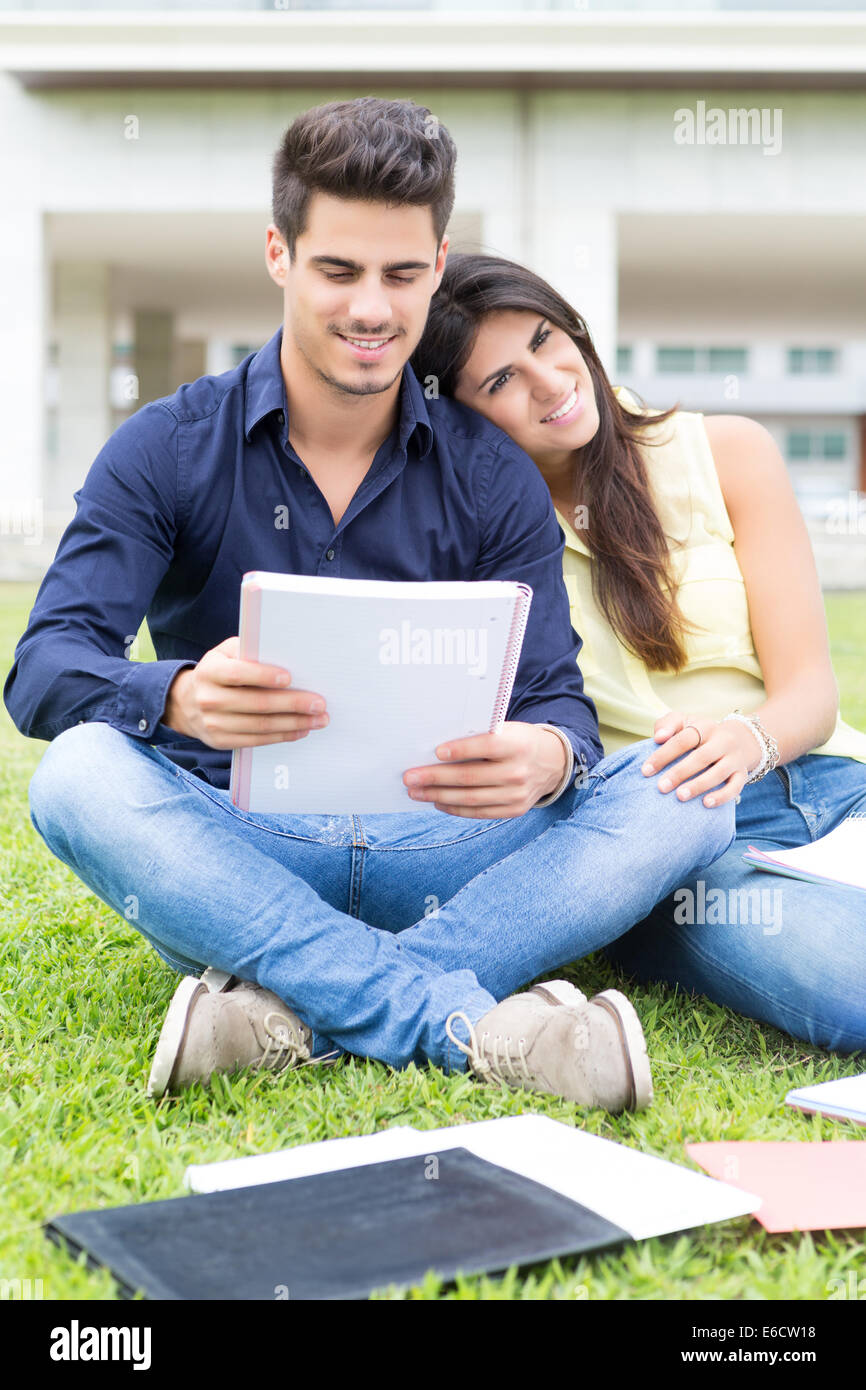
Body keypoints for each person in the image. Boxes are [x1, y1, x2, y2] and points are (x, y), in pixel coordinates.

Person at [4, 98, 734, 1112]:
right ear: (279, 254)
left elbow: (557, 703)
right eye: (337, 270)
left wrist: (549, 755)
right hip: (246, 844)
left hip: (450, 848)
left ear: (436, 267)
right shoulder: (166, 447)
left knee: (685, 790)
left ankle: (289, 1008)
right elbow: (42, 668)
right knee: (78, 775)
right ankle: (458, 1020)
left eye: (399, 274)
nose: (370, 309)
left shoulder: (490, 472)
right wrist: (175, 697)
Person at [410, 251, 866, 1055]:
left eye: (547, 339)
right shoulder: (468, 539)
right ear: (459, 415)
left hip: (834, 785)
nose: (550, 381)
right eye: (501, 381)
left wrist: (747, 739)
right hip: (678, 847)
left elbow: (811, 693)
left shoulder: (728, 452)